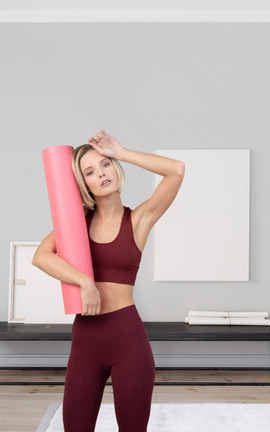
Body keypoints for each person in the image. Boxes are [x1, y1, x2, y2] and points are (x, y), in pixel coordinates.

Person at [32, 129, 185, 432]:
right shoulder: (75, 225)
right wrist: (84, 282)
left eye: (105, 164)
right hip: (85, 339)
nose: (101, 174)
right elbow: (41, 256)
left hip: (127, 337)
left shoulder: (138, 220)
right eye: (90, 171)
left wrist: (121, 152)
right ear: (83, 183)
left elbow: (176, 171)